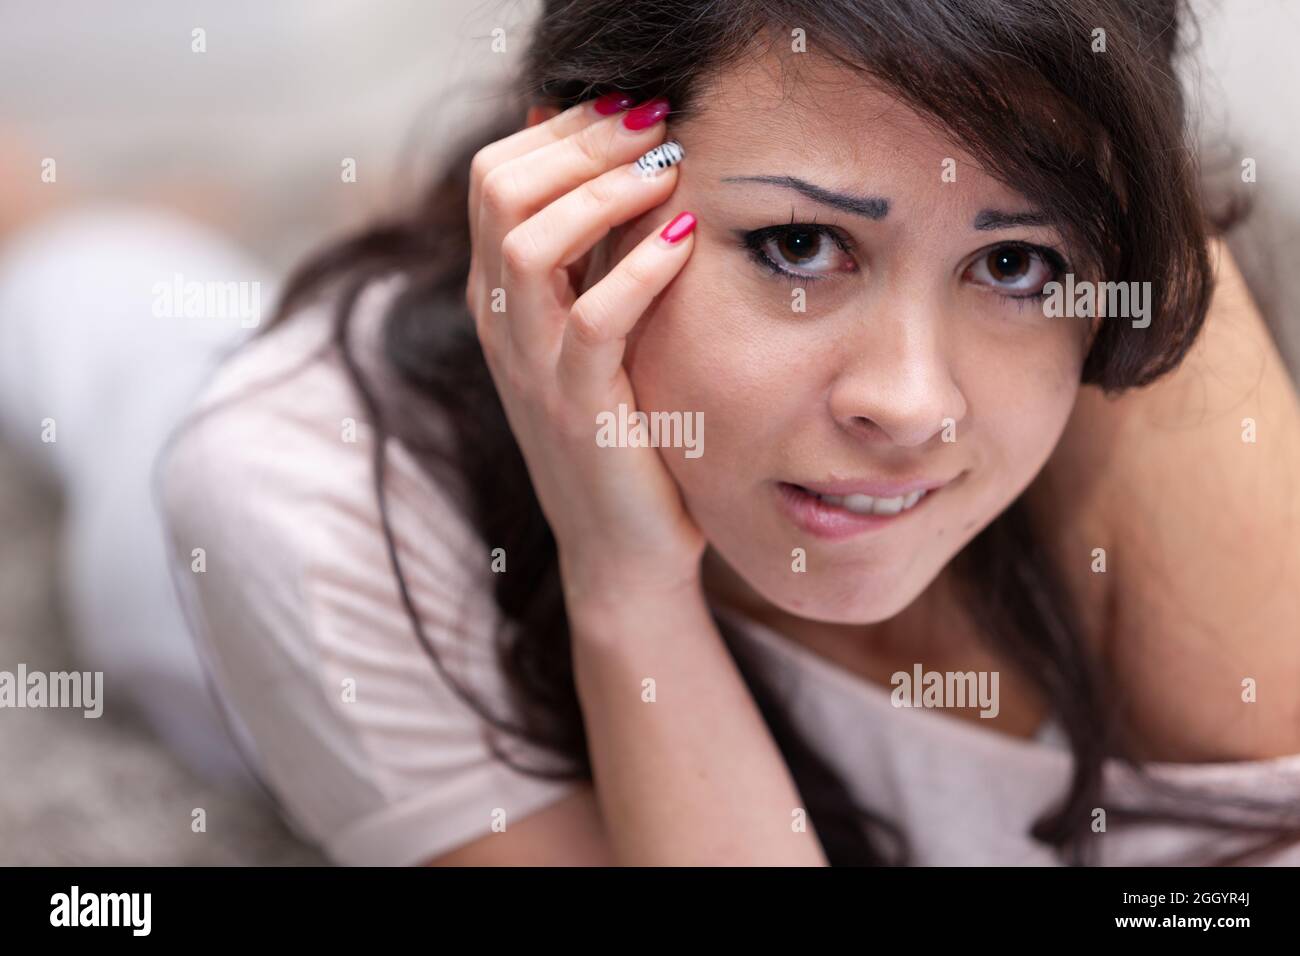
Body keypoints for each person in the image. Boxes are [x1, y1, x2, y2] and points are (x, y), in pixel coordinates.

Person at [18, 0, 1300, 865]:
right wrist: (624, 577)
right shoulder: (305, 493)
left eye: (1014, 262)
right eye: (800, 245)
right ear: (584, 202)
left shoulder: (1146, 327)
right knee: (110, 318)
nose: (910, 403)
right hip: (229, 531)